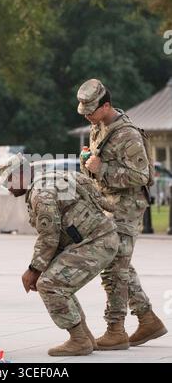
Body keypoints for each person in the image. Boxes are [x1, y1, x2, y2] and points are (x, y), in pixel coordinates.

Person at [77, 78, 168, 350]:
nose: (88, 115)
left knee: (114, 267)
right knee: (119, 265)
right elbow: (96, 165)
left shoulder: (127, 133)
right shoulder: (98, 127)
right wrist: (89, 164)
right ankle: (147, 319)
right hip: (106, 205)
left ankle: (115, 329)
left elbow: (141, 176)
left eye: (91, 110)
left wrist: (102, 168)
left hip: (125, 209)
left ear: (106, 105)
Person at [0, 153, 120, 356]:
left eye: (9, 182)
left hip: (96, 243)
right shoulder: (56, 176)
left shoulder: (41, 193)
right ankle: (86, 337)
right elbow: (100, 198)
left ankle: (79, 340)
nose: (8, 189)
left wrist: (33, 270)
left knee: (49, 284)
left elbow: (49, 237)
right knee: (56, 281)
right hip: (100, 237)